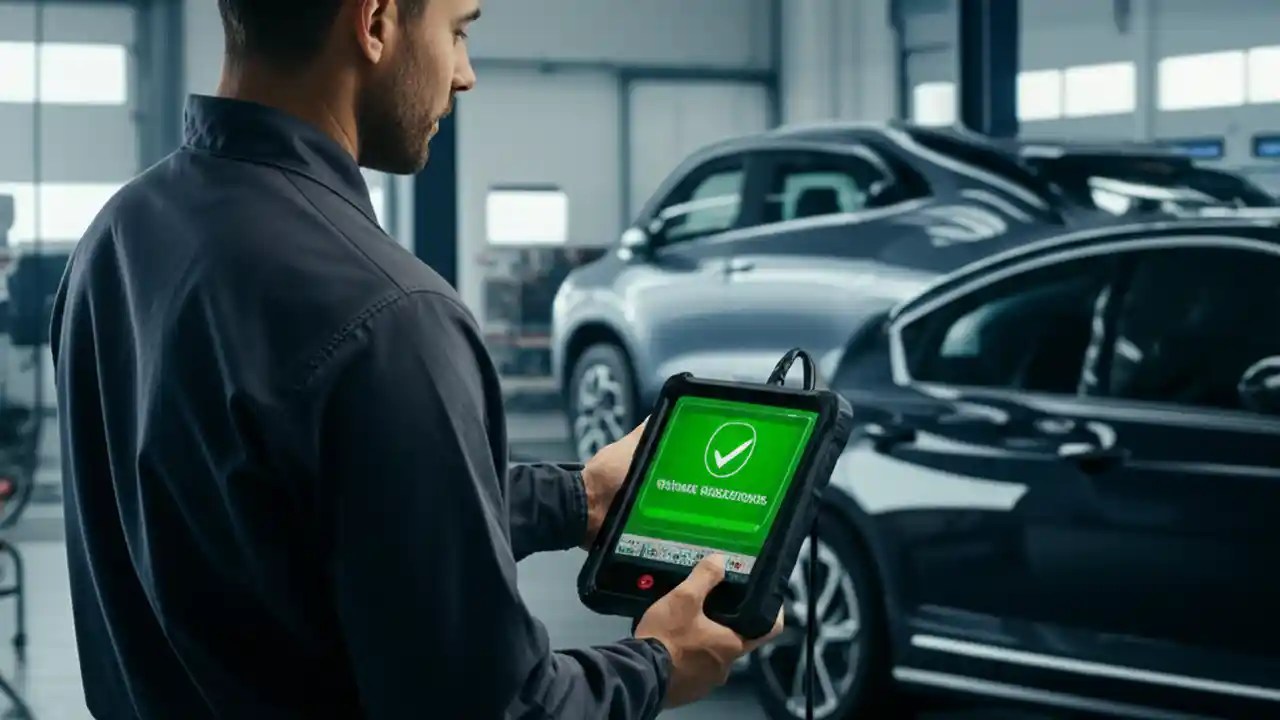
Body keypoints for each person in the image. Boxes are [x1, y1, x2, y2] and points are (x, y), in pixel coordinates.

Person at [48, 0, 781, 717]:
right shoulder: (392, 318)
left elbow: (285, 517)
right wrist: (656, 666)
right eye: (458, 33)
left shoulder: (117, 239)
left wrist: (574, 501)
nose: (464, 75)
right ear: (374, 23)